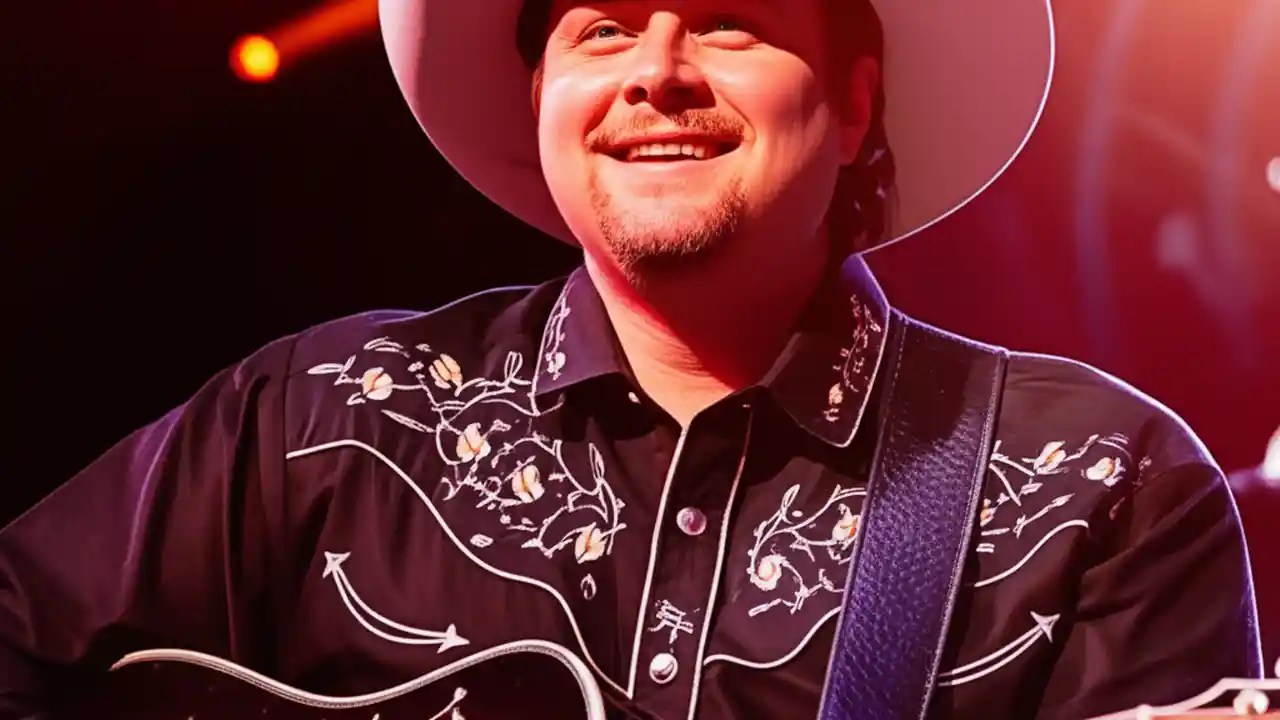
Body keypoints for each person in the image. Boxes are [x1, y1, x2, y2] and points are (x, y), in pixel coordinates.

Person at [0, 0, 1262, 718]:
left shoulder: (1099, 480)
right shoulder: (316, 419)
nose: (656, 74)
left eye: (725, 20)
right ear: (540, 96)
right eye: (601, 29)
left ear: (855, 102)